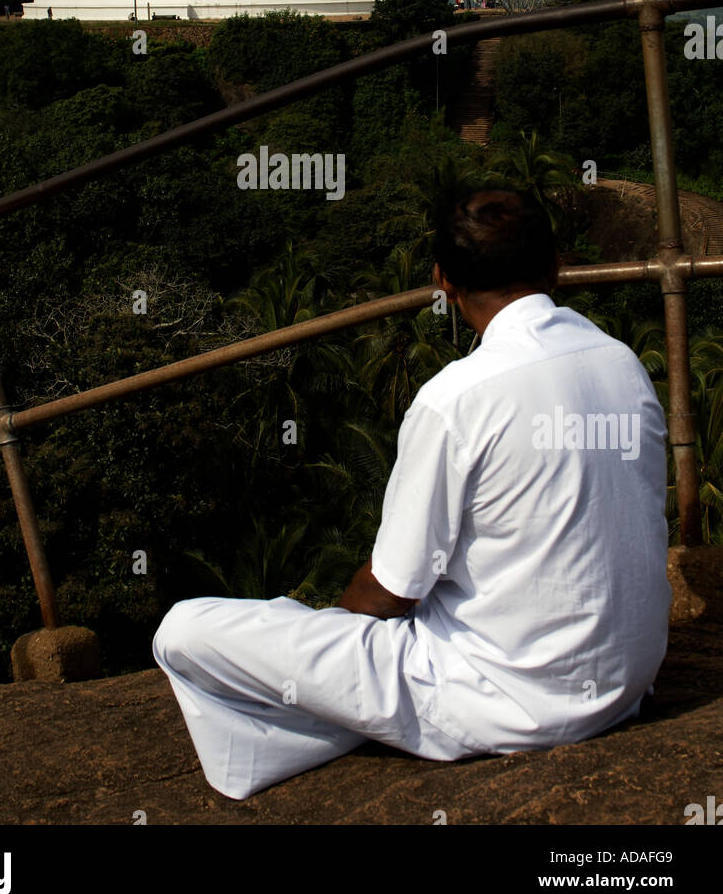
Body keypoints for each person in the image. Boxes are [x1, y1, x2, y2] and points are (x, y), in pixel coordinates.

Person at [153, 186, 671, 800]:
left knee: (183, 629)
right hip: (626, 683)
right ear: (554, 267)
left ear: (442, 280)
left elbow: (393, 589)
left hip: (504, 700)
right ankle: (353, 713)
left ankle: (330, 726)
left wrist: (340, 635)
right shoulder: (620, 362)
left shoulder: (457, 397)